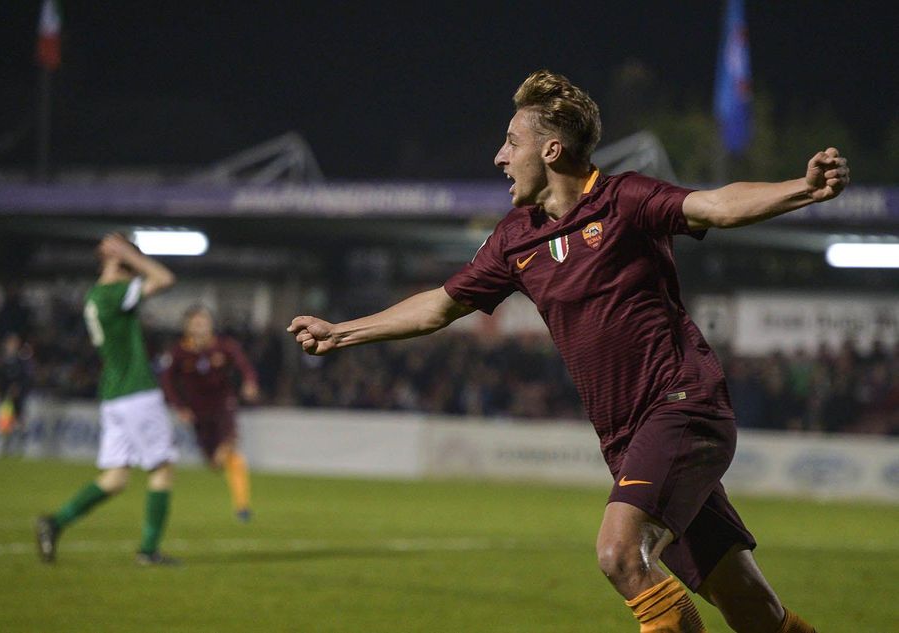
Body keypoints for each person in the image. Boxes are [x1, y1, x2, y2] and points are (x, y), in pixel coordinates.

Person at [287, 70, 849, 633]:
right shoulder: (515, 237)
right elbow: (439, 306)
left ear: (551, 150)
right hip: (625, 439)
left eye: (512, 142)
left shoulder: (624, 199)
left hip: (681, 407)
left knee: (620, 555)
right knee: (751, 607)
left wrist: (804, 189)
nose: (500, 157)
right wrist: (342, 333)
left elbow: (715, 206)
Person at [35, 233, 178, 565]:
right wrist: (129, 255)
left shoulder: (95, 295)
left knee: (115, 478)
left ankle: (55, 523)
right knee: (162, 468)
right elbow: (165, 279)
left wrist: (125, 256)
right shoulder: (115, 292)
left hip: (113, 396)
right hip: (136, 391)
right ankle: (149, 551)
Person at [160, 305, 260, 521]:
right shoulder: (178, 352)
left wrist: (250, 382)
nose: (201, 327)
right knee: (215, 463)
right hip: (198, 413)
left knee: (230, 447)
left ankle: (242, 506)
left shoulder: (225, 346)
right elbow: (167, 382)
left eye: (204, 322)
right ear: (187, 327)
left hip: (224, 406)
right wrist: (180, 407)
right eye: (196, 323)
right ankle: (222, 457)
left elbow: (244, 366)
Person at [0, 332, 33, 456]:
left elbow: (26, 378)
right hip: (6, 396)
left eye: (13, 343)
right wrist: (2, 391)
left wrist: (18, 388)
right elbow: (0, 379)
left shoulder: (21, 361)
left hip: (17, 397)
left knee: (19, 420)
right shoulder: (3, 361)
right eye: (9, 343)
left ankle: (20, 447)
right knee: (5, 421)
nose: (11, 346)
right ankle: (6, 447)